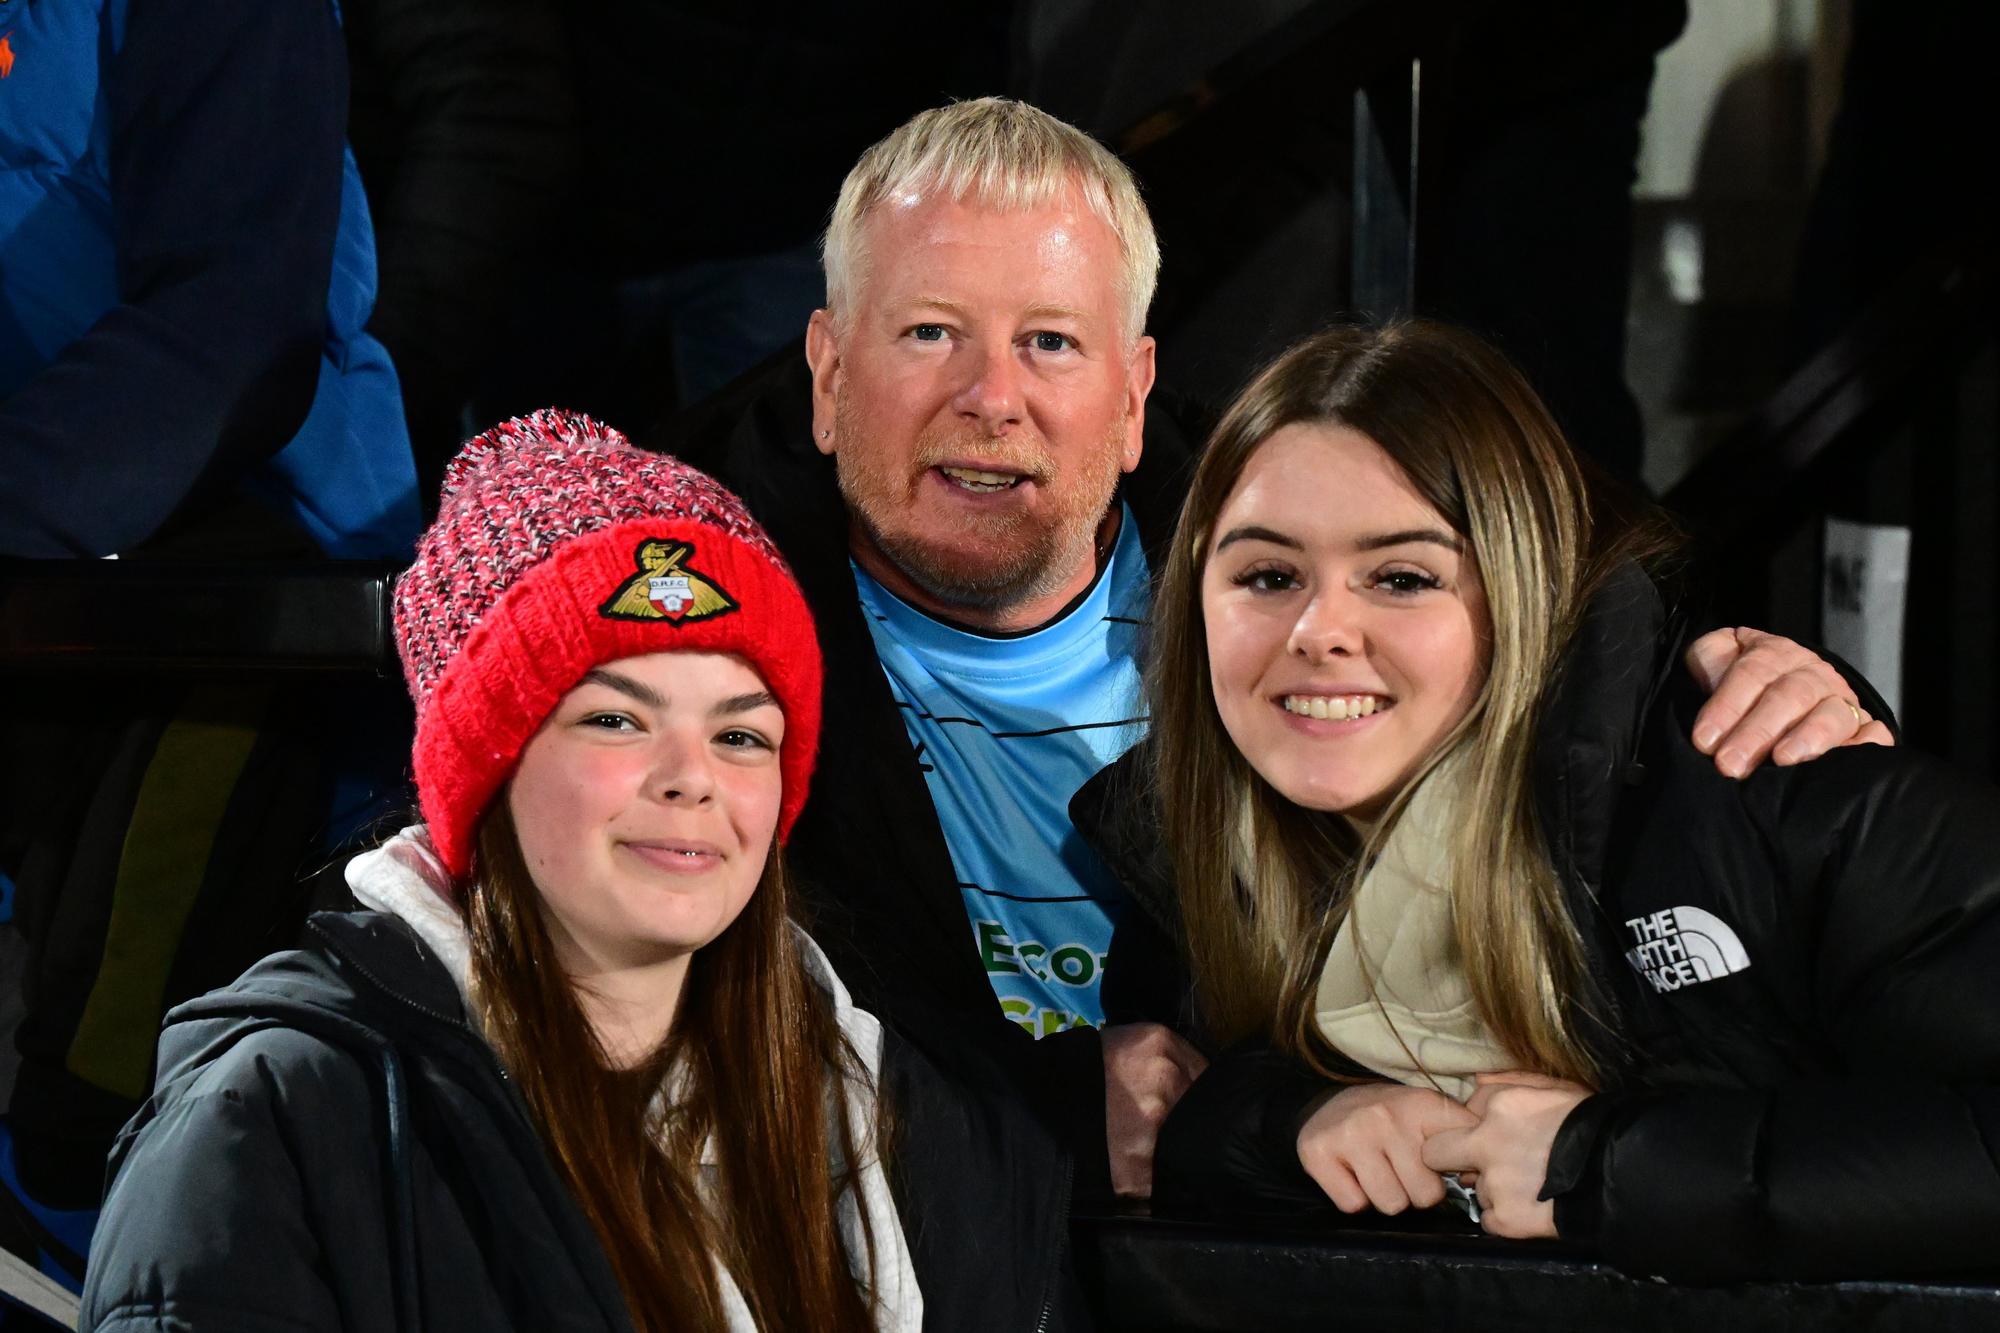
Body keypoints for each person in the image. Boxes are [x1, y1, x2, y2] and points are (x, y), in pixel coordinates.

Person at [670, 97, 1891, 1204]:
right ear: (827, 375)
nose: (992, 397)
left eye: (1050, 342)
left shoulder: (1297, 543)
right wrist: (1036, 1105)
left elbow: (1601, 642)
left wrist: (1789, 700)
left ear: (1136, 393)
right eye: (929, 333)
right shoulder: (689, 635)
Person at [76, 410, 1086, 1332]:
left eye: (740, 734)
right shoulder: (277, 1122)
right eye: (615, 719)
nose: (690, 779)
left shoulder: (891, 1105)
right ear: (490, 764)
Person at [1092, 320, 1995, 1283]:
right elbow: (1192, 1130)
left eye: (1402, 577)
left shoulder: (1771, 790)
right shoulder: (1191, 862)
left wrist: (1600, 1166)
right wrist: (1294, 1123)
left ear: (1520, 592)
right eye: (1269, 575)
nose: (1320, 630)